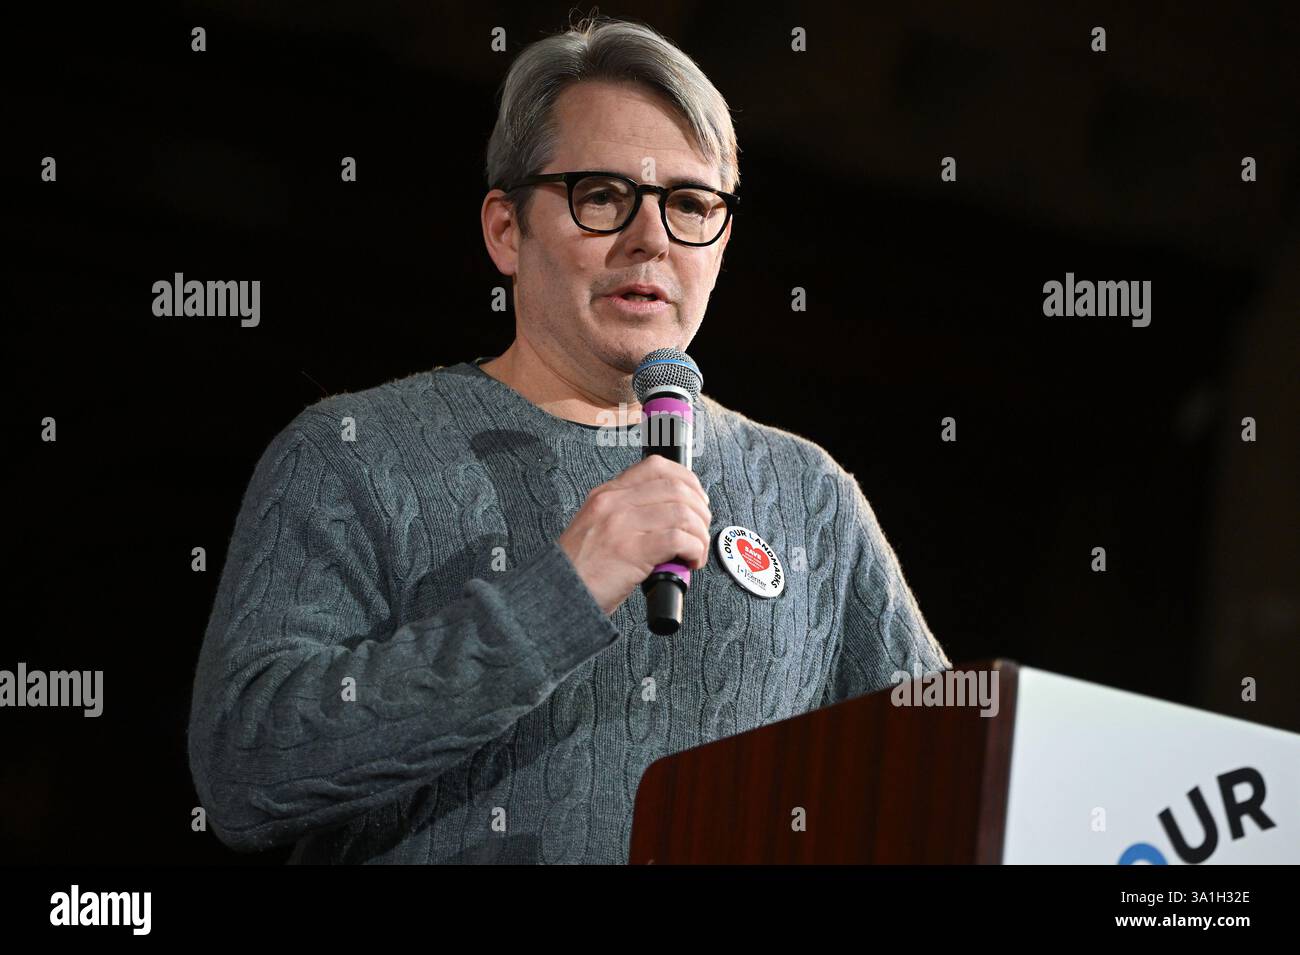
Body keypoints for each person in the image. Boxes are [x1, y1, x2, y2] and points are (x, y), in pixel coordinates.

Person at [187, 14, 950, 865]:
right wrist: (563, 594)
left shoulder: (809, 495)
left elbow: (947, 785)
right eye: (602, 196)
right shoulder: (353, 452)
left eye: (691, 204)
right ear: (506, 229)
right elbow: (245, 769)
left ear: (722, 243)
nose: (651, 238)